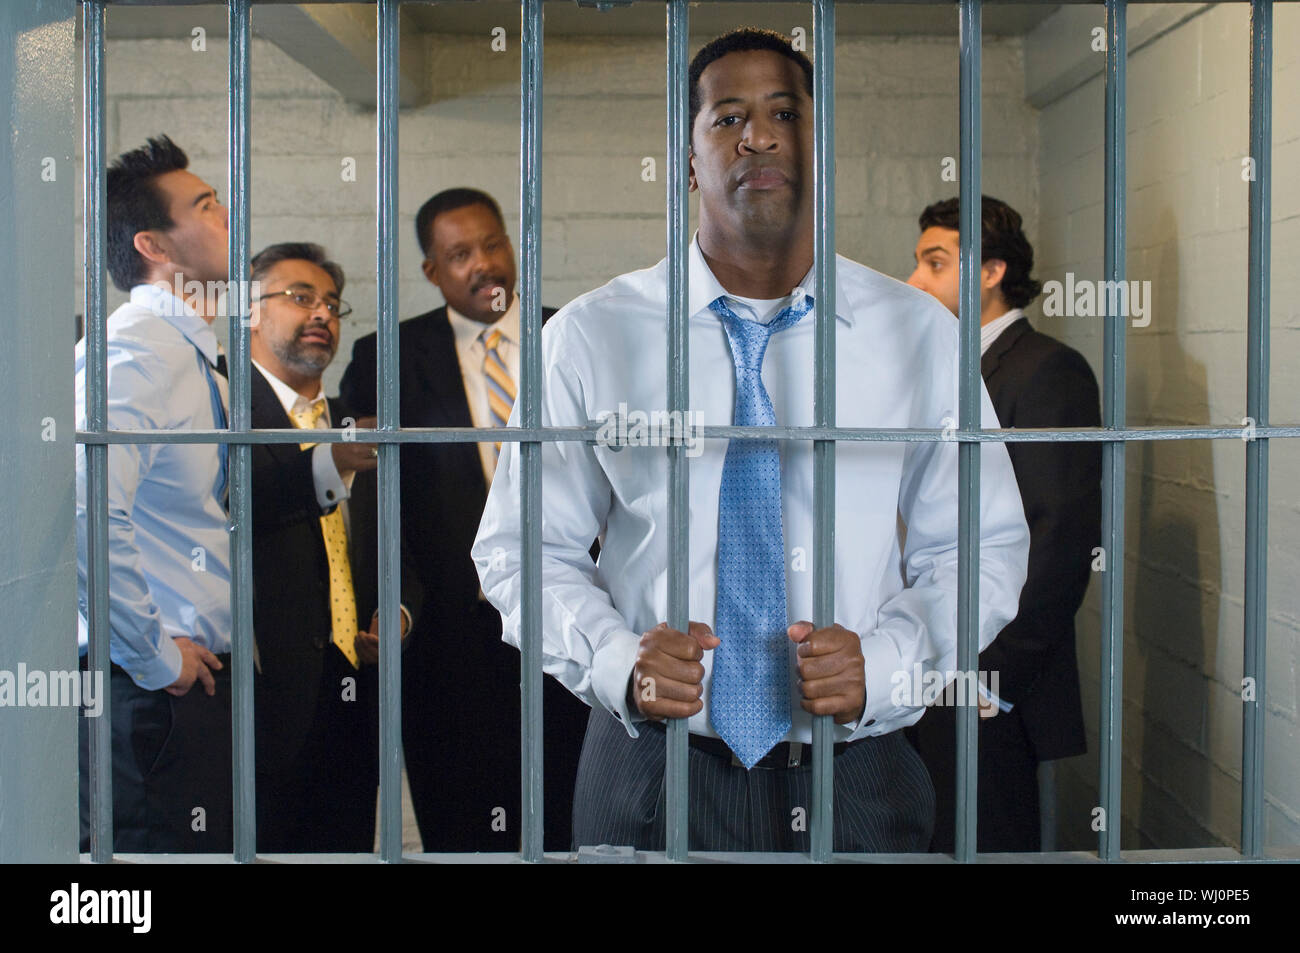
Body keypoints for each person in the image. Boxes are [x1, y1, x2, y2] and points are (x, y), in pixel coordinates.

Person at [471, 29, 1030, 852]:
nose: (757, 135)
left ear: (817, 144)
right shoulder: (592, 335)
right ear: (689, 157)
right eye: (726, 116)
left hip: (859, 768)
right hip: (650, 770)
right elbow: (520, 550)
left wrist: (886, 659)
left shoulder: (917, 334)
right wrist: (619, 656)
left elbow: (984, 547)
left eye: (782, 113)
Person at [339, 188, 589, 853]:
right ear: (431, 271)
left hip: (570, 635)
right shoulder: (385, 357)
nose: (484, 265)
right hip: (450, 648)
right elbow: (377, 512)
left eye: (493, 244)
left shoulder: (574, 332)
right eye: (460, 254)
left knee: (573, 829)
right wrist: (390, 605)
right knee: (463, 835)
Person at [905, 195, 1102, 852]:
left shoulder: (1047, 370)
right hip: (932, 665)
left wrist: (989, 676)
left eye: (936, 263)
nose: (916, 282)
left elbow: (1060, 542)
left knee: (986, 842)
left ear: (991, 271)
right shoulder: (947, 369)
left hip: (988, 680)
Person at [75, 134, 233, 852]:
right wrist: (154, 656)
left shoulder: (188, 351)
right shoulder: (138, 347)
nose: (227, 212)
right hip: (148, 695)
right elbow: (83, 504)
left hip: (177, 688)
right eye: (205, 205)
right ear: (153, 244)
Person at [247, 241, 420, 852]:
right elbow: (232, 507)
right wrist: (328, 464)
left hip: (355, 689)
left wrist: (395, 610)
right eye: (300, 297)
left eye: (331, 303)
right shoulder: (219, 403)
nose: (321, 313)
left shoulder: (357, 419)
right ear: (249, 308)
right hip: (256, 696)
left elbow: (402, 544)